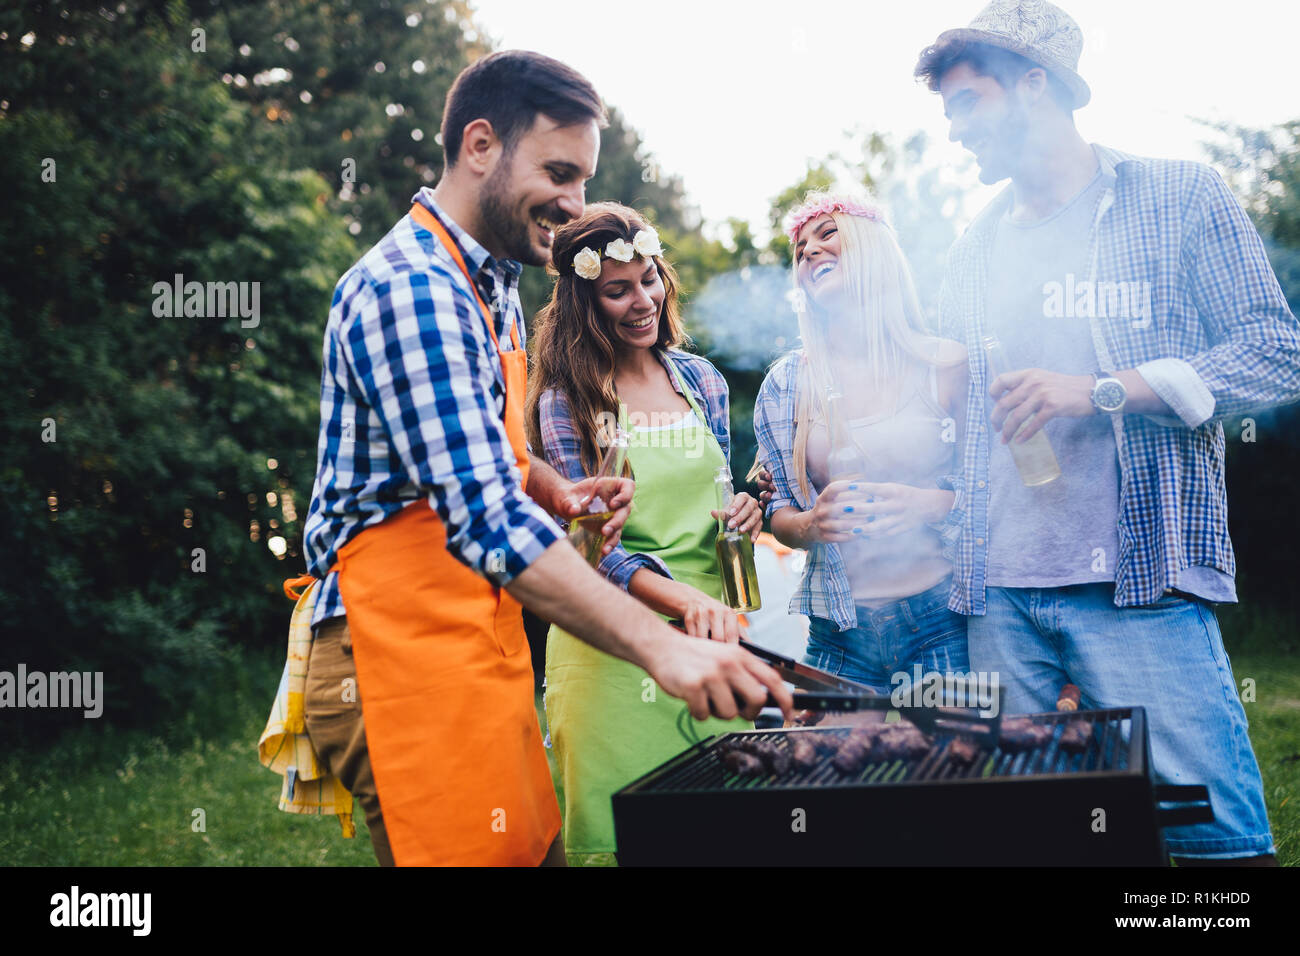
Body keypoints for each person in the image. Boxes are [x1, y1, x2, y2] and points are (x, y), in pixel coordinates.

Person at [299, 50, 792, 867]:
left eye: (584, 179)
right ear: (481, 145)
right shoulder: (415, 288)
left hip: (477, 641)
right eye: (559, 173)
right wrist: (663, 644)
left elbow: (480, 455)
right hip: (397, 654)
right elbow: (484, 515)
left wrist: (555, 488)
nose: (574, 204)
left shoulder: (488, 287)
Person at [914, 0, 1300, 864]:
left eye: (968, 105)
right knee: (1036, 845)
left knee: (1214, 845)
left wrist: (1100, 391)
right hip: (999, 595)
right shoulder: (969, 251)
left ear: (1036, 86)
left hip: (1142, 584)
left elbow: (1278, 353)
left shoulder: (1177, 196)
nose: (956, 131)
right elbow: (966, 422)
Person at [526, 202, 764, 864]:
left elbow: (714, 501)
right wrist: (681, 601)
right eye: (617, 290)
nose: (642, 301)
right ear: (584, 302)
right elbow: (589, 553)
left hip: (715, 642)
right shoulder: (567, 402)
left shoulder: (702, 382)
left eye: (649, 279)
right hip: (610, 653)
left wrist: (745, 514)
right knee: (623, 843)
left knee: (722, 837)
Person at [754, 192, 971, 696]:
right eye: (800, 249)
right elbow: (781, 513)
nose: (809, 251)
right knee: (829, 773)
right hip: (837, 635)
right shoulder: (787, 383)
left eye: (828, 234)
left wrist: (930, 504)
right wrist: (810, 523)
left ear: (874, 248)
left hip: (942, 622)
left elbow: (998, 491)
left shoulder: (947, 365)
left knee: (954, 773)